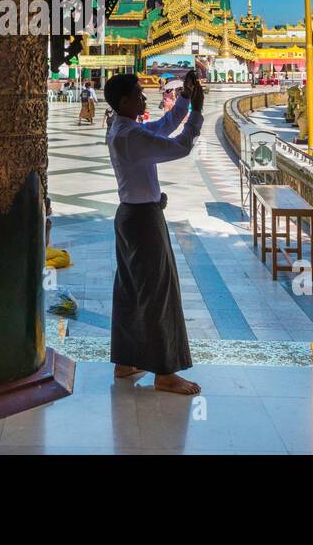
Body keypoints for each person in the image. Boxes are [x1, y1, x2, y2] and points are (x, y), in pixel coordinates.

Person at [103, 71, 204, 395]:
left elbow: (161, 128)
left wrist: (185, 99)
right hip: (143, 220)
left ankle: (126, 361)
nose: (144, 98)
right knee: (159, 292)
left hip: (134, 214)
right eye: (139, 94)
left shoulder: (123, 129)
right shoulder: (129, 136)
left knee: (132, 289)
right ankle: (165, 372)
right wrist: (197, 113)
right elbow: (179, 145)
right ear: (124, 102)